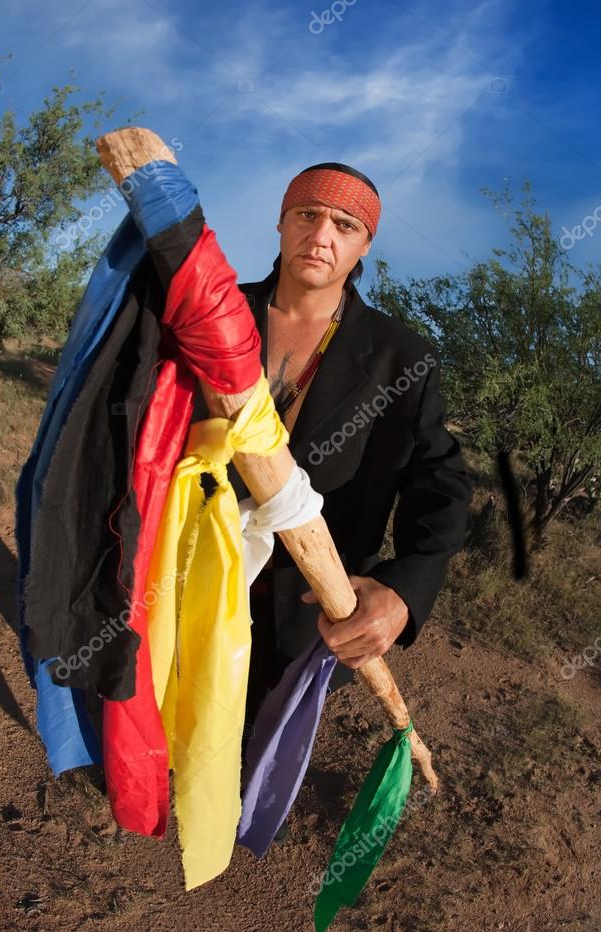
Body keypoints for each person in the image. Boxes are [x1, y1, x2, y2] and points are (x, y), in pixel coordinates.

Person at [192, 161, 474, 747]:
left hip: (305, 608)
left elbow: (440, 480)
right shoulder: (214, 318)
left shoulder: (401, 358)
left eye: (345, 225)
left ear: (365, 244)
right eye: (307, 214)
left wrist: (405, 590)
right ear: (281, 222)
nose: (321, 235)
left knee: (253, 745)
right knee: (167, 713)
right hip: (187, 574)